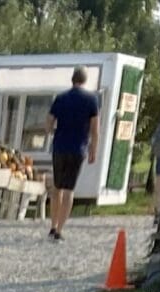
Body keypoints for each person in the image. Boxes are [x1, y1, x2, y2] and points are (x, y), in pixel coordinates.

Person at [45, 67, 101, 240]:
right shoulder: (92, 99)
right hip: (78, 148)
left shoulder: (61, 98)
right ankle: (60, 229)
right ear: (84, 81)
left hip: (60, 146)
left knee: (57, 187)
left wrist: (53, 132)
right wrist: (93, 149)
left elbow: (48, 122)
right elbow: (95, 129)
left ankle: (52, 226)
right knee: (69, 189)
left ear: (72, 80)